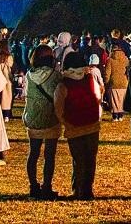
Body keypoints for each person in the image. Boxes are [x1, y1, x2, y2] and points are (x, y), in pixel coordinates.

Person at [54, 51, 101, 199]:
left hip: (74, 127)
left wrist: (66, 122)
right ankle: (88, 189)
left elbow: (58, 107)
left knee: (79, 160)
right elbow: (98, 97)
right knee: (90, 159)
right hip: (92, 125)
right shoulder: (90, 79)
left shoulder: (63, 84)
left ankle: (78, 189)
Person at [23, 45, 62, 200]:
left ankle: (33, 186)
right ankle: (47, 186)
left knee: (33, 153)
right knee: (49, 155)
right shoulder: (55, 75)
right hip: (50, 117)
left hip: (32, 116)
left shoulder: (29, 75)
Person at [105, 44, 129, 122]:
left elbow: (107, 73)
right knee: (122, 99)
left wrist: (106, 82)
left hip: (114, 82)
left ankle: (115, 116)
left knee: (114, 100)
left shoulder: (110, 60)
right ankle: (120, 115)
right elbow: (128, 71)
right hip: (124, 82)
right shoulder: (126, 59)